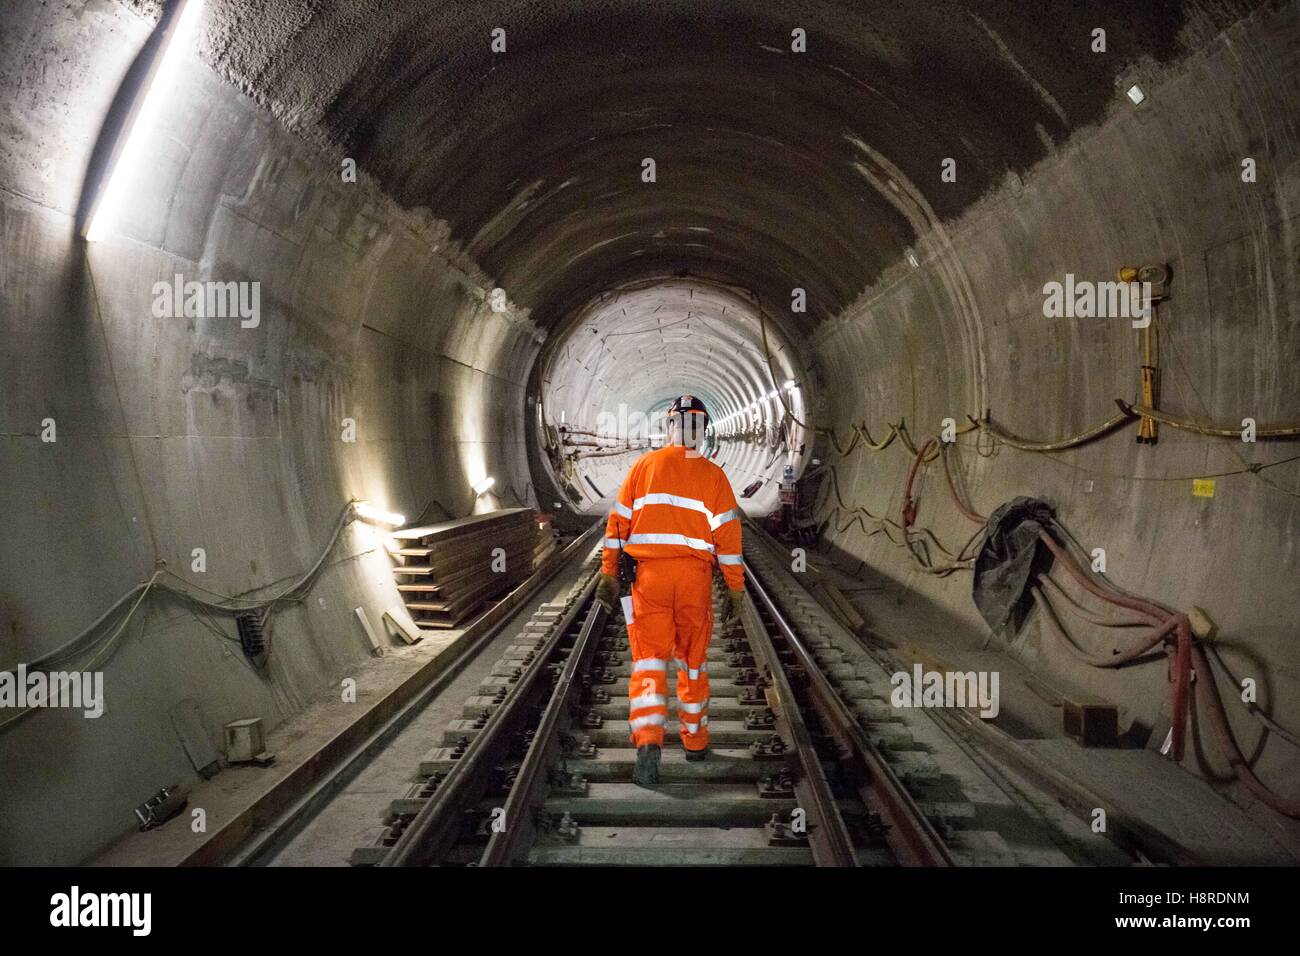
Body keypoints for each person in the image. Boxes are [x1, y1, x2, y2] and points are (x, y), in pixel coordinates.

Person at [593, 394, 745, 786]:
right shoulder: (714, 476)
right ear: (703, 430)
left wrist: (610, 573)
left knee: (649, 661)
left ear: (669, 426)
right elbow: (728, 540)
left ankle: (648, 744)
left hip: (649, 581)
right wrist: (735, 589)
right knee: (692, 661)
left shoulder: (643, 467)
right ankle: (695, 743)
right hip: (694, 581)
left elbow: (617, 527)